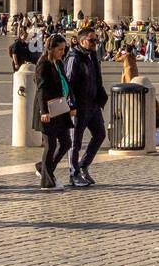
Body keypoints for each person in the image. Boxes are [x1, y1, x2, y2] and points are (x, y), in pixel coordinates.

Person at [63, 26, 108, 188]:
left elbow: (97, 78)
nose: (95, 43)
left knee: (100, 134)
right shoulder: (74, 58)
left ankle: (83, 165)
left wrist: (100, 97)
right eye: (92, 40)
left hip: (93, 104)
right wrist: (71, 105)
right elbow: (67, 84)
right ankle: (73, 174)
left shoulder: (92, 56)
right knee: (75, 142)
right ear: (82, 41)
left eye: (96, 40)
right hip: (78, 107)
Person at [33, 34, 74, 191]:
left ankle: (42, 167)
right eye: (60, 49)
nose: (62, 52)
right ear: (51, 49)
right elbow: (41, 89)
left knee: (65, 143)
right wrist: (44, 111)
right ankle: (47, 182)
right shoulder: (43, 64)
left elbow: (65, 83)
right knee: (50, 145)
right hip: (47, 110)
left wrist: (71, 104)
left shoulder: (59, 63)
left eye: (64, 49)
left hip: (60, 108)